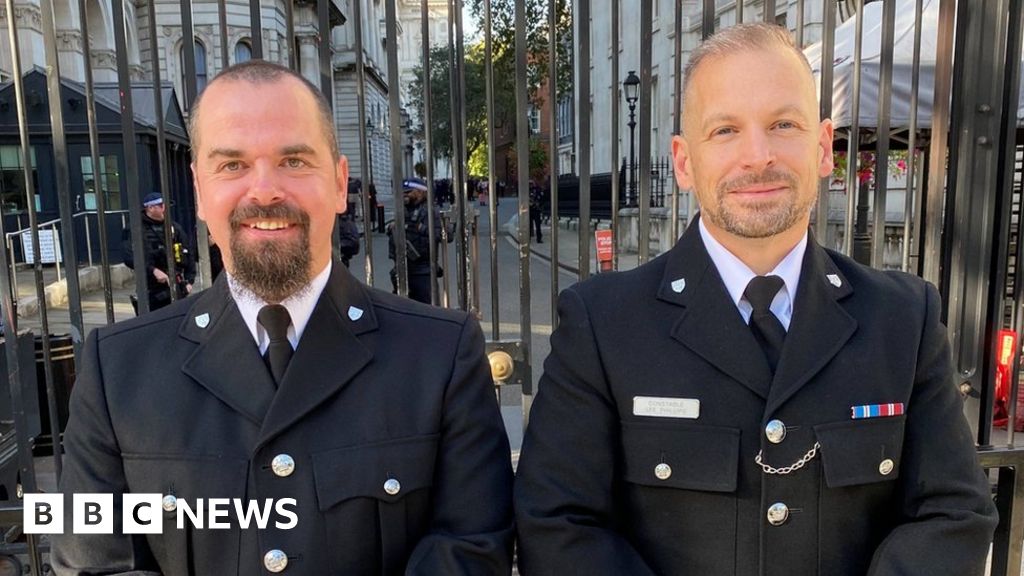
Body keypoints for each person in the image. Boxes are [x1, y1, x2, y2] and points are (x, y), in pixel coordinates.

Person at [514, 23, 997, 576]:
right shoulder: (603, 324)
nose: (757, 155)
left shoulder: (904, 319)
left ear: (821, 148)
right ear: (683, 162)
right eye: (724, 130)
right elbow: (557, 525)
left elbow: (954, 512)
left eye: (782, 124)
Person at [54, 60, 513, 575]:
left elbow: (472, 545)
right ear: (200, 192)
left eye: (294, 161)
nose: (265, 190)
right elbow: (91, 564)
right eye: (232, 165)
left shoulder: (440, 354)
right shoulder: (116, 370)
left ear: (339, 183)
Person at [122, 192, 196, 312]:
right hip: (150, 286)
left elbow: (188, 253)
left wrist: (189, 280)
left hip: (175, 283)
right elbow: (129, 256)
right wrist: (153, 270)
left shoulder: (174, 227)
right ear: (150, 208)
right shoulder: (135, 229)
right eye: (161, 205)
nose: (165, 209)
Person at [388, 178, 451, 304]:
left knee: (427, 311)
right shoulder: (404, 210)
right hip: (402, 269)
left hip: (423, 271)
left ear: (420, 192)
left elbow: (446, 235)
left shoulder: (431, 211)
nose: (405, 195)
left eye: (408, 192)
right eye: (403, 192)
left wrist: (420, 228)